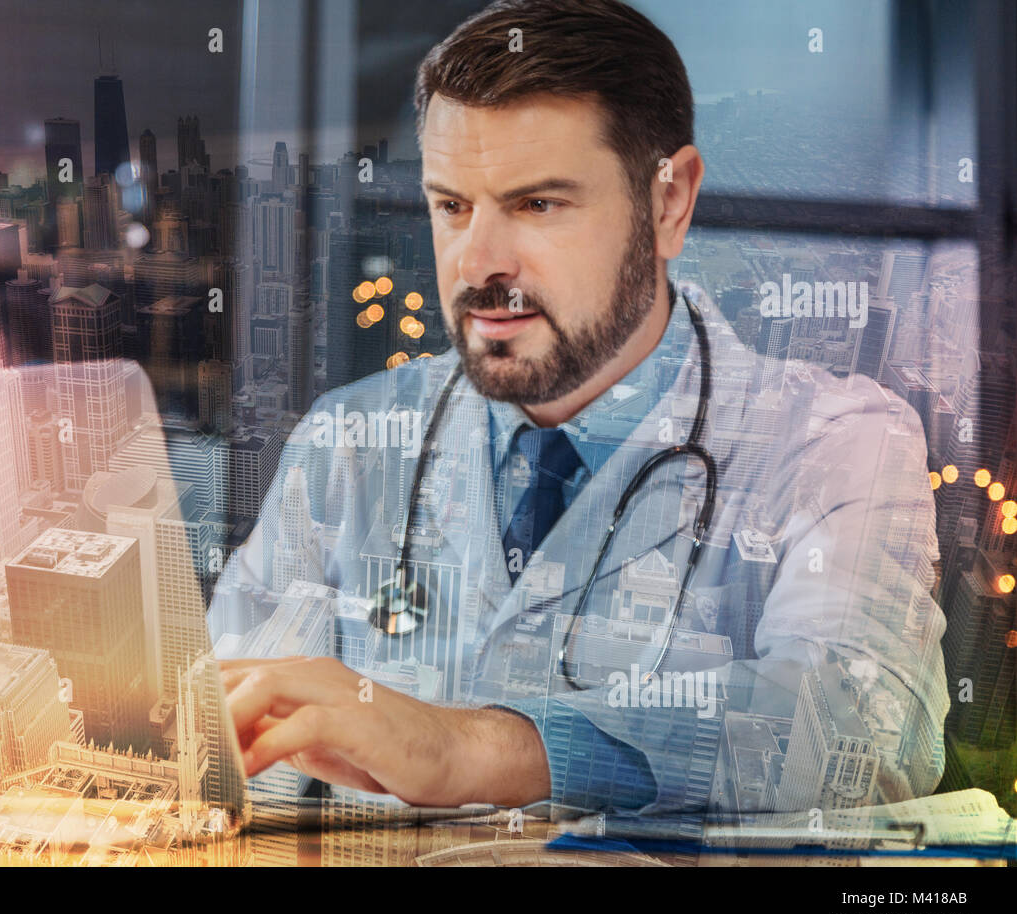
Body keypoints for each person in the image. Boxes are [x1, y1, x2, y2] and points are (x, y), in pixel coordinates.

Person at [208, 0, 949, 816]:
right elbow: (228, 718)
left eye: (538, 205)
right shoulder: (347, 440)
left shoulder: (834, 444)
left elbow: (860, 729)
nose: (478, 262)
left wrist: (472, 750)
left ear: (669, 204)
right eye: (453, 206)